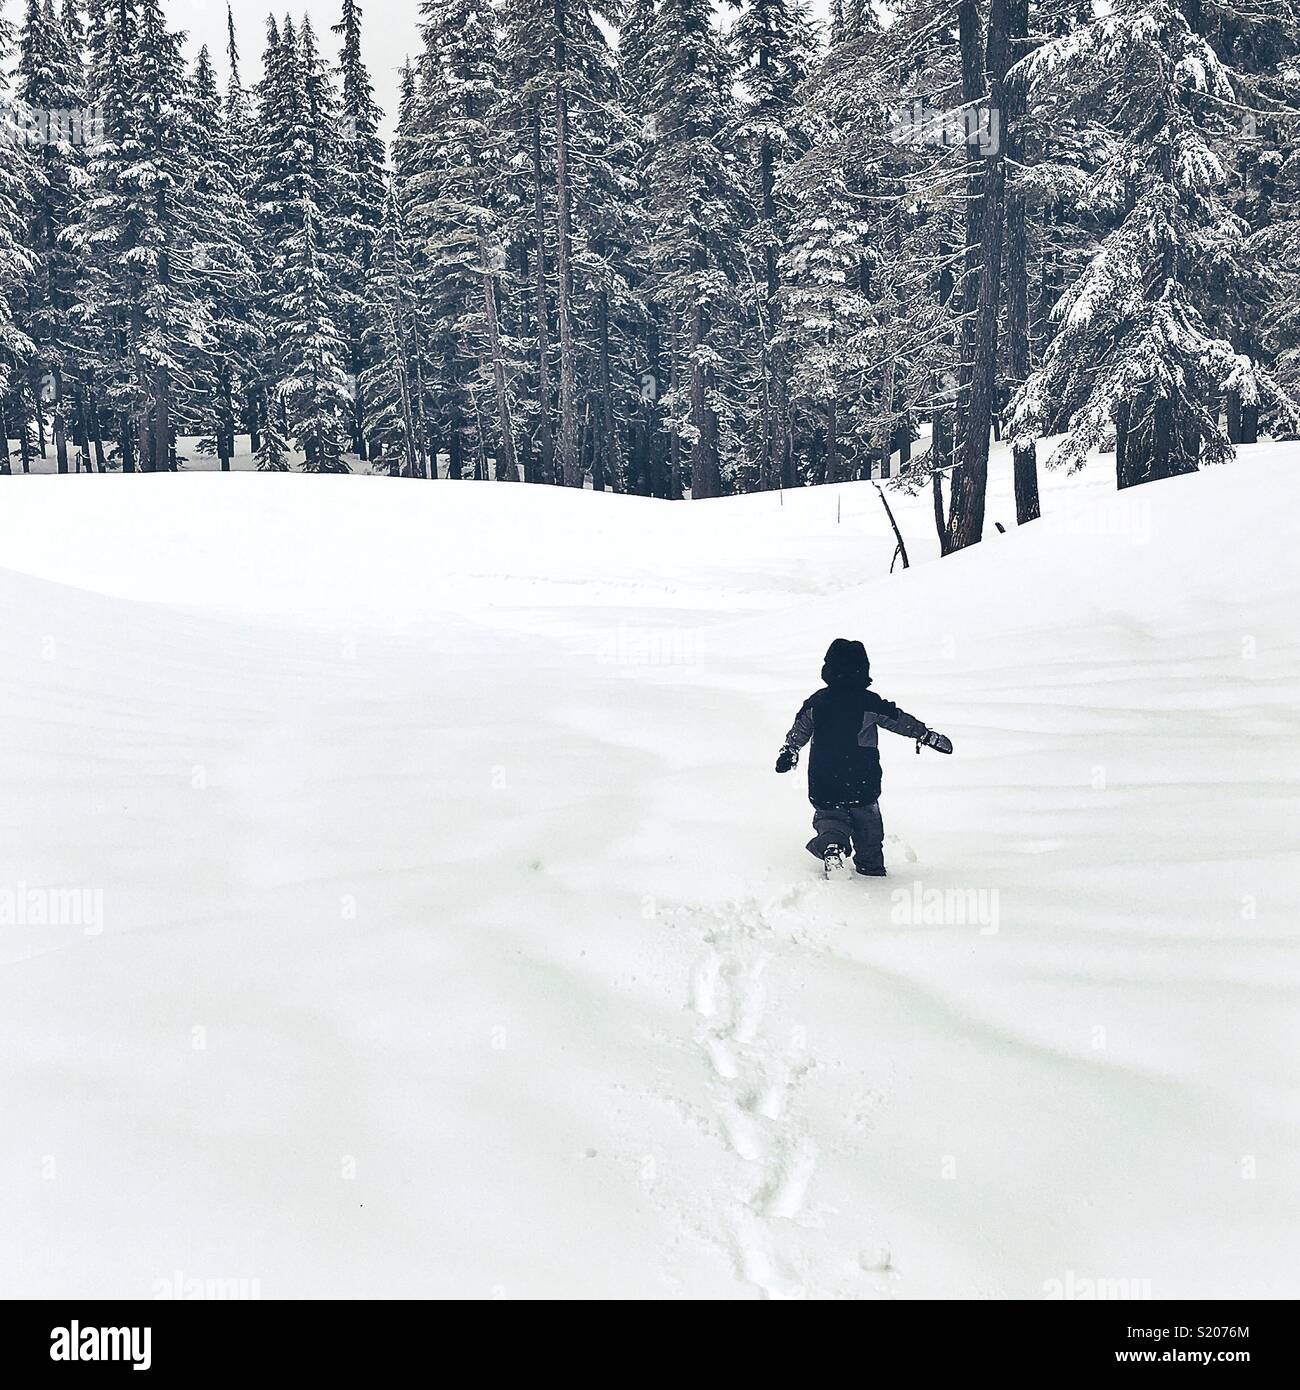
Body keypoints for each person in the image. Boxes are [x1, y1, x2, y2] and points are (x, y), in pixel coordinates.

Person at [774, 638, 952, 876]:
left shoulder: (817, 702)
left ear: (828, 669)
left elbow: (800, 729)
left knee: (830, 818)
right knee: (869, 829)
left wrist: (789, 750)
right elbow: (898, 720)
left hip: (824, 780)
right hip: (861, 780)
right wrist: (926, 735)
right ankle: (871, 869)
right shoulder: (869, 702)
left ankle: (832, 846)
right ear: (863, 669)